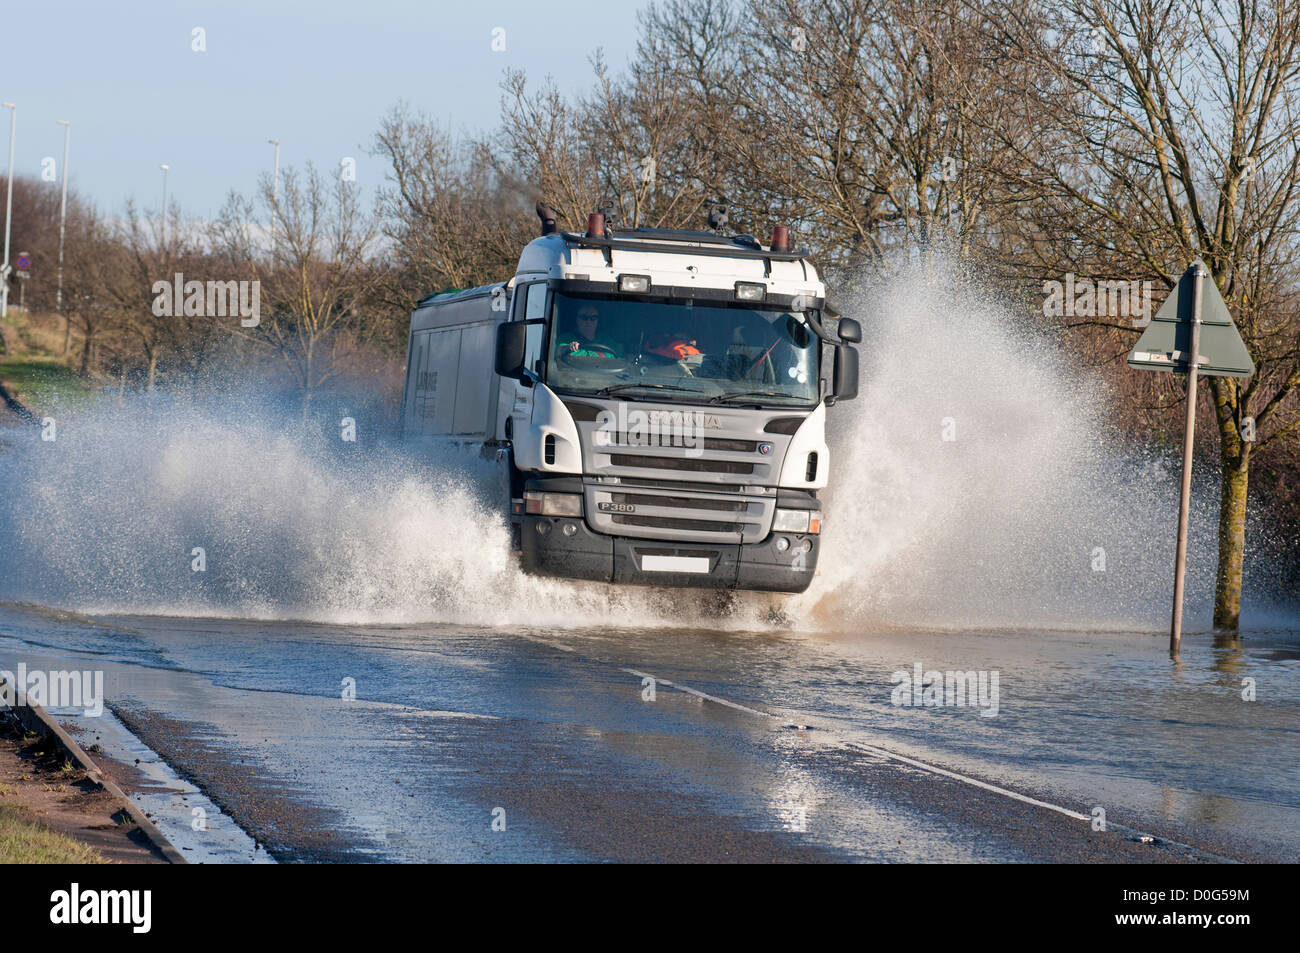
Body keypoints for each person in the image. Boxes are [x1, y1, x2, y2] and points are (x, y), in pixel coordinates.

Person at [558, 304, 622, 359]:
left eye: (593, 318)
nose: (588, 322)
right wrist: (568, 348)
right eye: (584, 317)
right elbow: (558, 351)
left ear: (598, 321)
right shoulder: (566, 339)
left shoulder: (606, 340)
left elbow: (620, 359)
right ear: (577, 319)